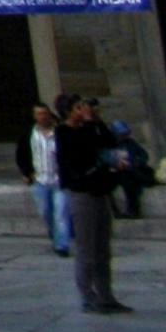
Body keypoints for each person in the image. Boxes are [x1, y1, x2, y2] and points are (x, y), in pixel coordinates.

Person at [59, 95, 132, 314]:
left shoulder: (91, 128)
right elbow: (82, 150)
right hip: (83, 194)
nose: (83, 110)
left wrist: (97, 121)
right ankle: (88, 297)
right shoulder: (65, 133)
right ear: (68, 111)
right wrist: (90, 124)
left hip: (100, 192)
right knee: (87, 250)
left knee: (103, 249)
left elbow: (107, 143)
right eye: (78, 107)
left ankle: (106, 296)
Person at [28, 105, 74, 255]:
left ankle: (62, 245)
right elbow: (23, 154)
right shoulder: (31, 134)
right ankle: (55, 234)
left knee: (60, 212)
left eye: (45, 113)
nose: (42, 116)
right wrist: (27, 172)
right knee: (45, 211)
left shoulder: (60, 133)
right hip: (41, 180)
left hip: (59, 179)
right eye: (39, 114)